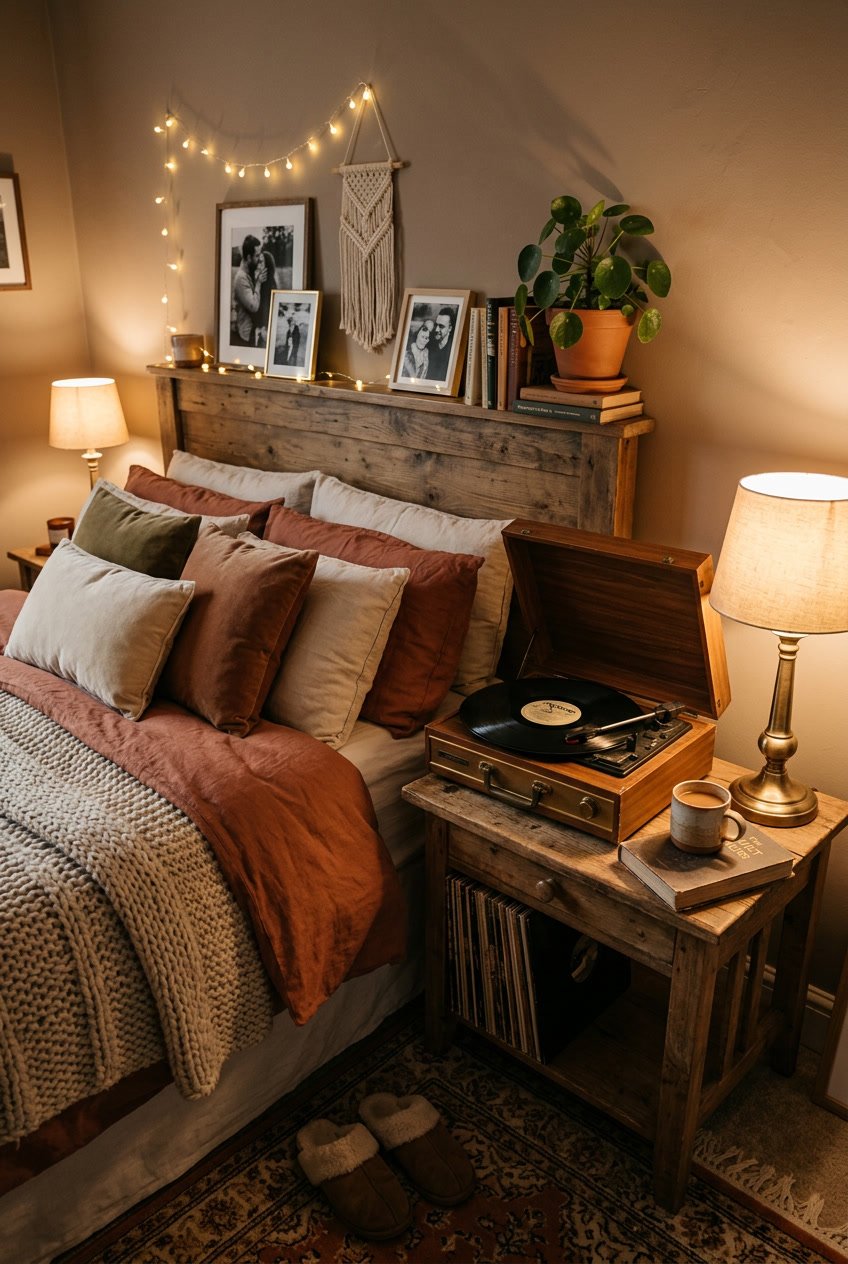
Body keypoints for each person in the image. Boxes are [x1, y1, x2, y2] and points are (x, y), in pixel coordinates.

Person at [232, 235, 266, 346]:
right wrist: (258, 283)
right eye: (256, 256)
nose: (259, 258)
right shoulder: (241, 278)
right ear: (248, 257)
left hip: (252, 333)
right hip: (246, 336)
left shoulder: (249, 272)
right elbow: (254, 306)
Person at [251, 248, 277, 348]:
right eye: (258, 262)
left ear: (267, 267)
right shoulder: (256, 283)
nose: (258, 265)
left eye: (261, 262)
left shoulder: (270, 287)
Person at [426, 307, 455, 380]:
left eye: (441, 326)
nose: (436, 329)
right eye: (436, 325)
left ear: (450, 328)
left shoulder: (454, 348)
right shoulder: (429, 343)